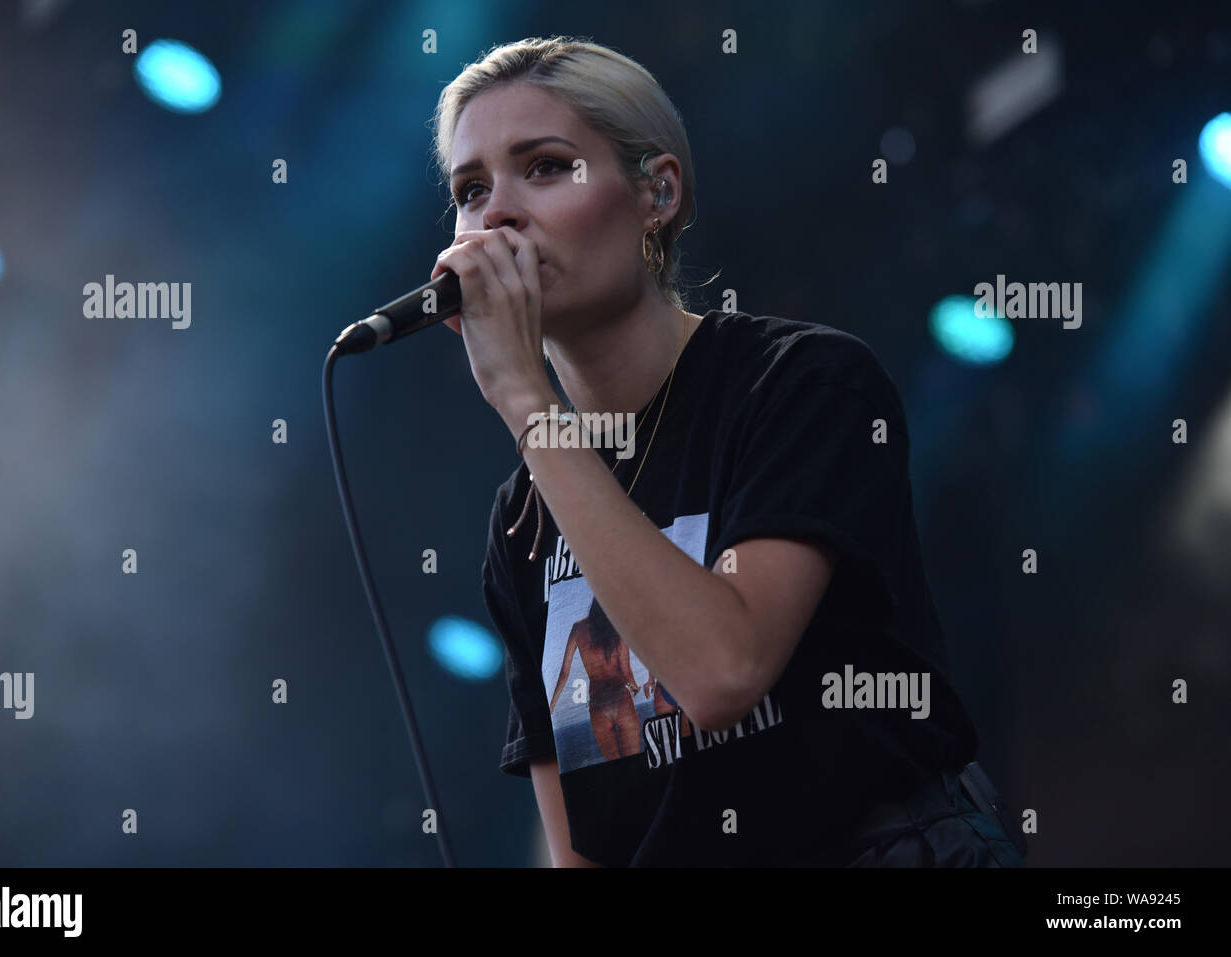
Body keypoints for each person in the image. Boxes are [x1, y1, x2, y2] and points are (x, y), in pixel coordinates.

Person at [429, 35, 1026, 867]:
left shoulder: (801, 385)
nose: (495, 214)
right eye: (470, 188)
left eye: (546, 166)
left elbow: (721, 670)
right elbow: (581, 843)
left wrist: (527, 400)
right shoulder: (525, 513)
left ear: (657, 193)